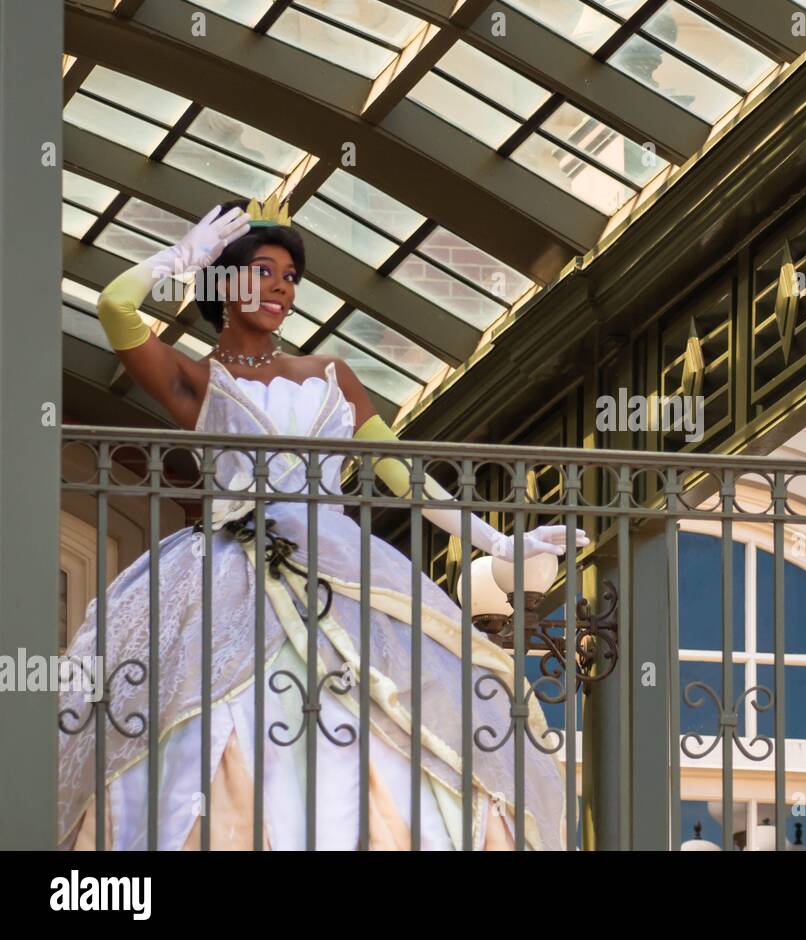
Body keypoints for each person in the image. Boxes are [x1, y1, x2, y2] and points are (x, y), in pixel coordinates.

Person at [59, 198, 583, 850]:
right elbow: (114, 307)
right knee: (208, 714)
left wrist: (498, 541)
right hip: (223, 572)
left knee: (388, 714)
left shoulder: (331, 375)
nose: (281, 287)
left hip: (341, 564)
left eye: (290, 276)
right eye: (263, 271)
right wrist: (180, 256)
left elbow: (404, 473)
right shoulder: (197, 381)